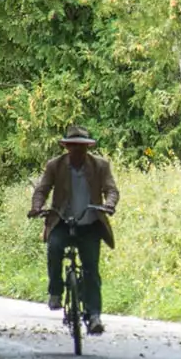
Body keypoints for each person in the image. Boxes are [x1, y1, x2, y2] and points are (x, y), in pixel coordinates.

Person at [28, 126, 120, 335]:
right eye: (74, 147)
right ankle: (56, 292)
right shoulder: (55, 166)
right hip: (61, 221)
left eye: (82, 147)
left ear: (88, 148)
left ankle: (94, 315)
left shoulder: (100, 166)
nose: (78, 151)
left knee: (91, 270)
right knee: (55, 248)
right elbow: (42, 189)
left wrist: (110, 204)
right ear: (67, 147)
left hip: (89, 224)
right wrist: (37, 206)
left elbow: (111, 189)